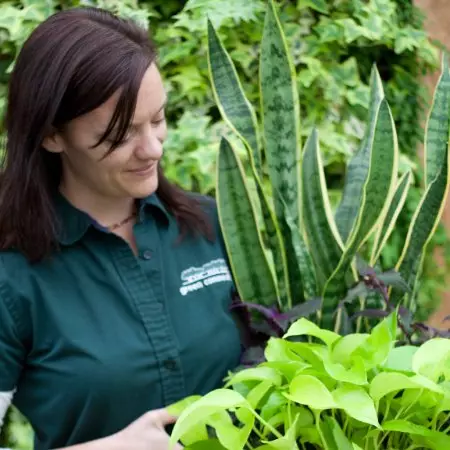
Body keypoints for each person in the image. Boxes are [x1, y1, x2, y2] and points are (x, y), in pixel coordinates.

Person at [0, 7, 243, 450]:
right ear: (53, 136)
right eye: (120, 134)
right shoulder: (11, 276)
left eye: (158, 119)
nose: (152, 148)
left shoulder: (215, 225)